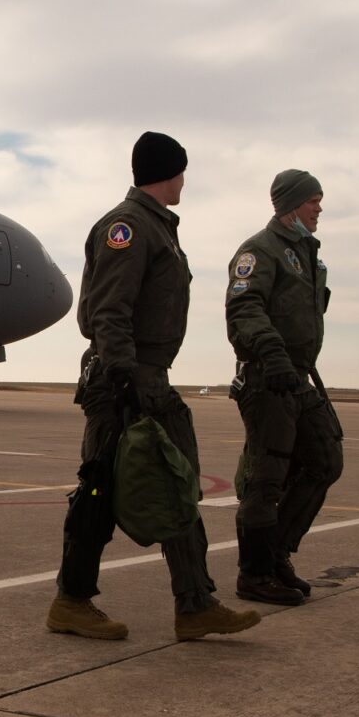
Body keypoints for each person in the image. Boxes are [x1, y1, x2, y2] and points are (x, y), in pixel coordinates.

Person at [48, 131, 263, 642]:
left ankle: (195, 604)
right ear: (169, 172)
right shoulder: (128, 227)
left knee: (178, 484)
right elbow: (109, 310)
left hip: (149, 377)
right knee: (100, 489)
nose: (185, 179)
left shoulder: (158, 228)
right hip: (122, 378)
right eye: (182, 170)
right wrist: (123, 378)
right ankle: (71, 602)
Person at [225, 170, 344, 603]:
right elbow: (245, 306)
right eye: (314, 200)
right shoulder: (260, 250)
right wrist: (271, 353)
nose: (319, 208)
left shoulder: (307, 254)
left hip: (298, 376)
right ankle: (255, 576)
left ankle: (276, 554)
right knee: (266, 477)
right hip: (267, 377)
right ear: (291, 204)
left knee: (325, 459)